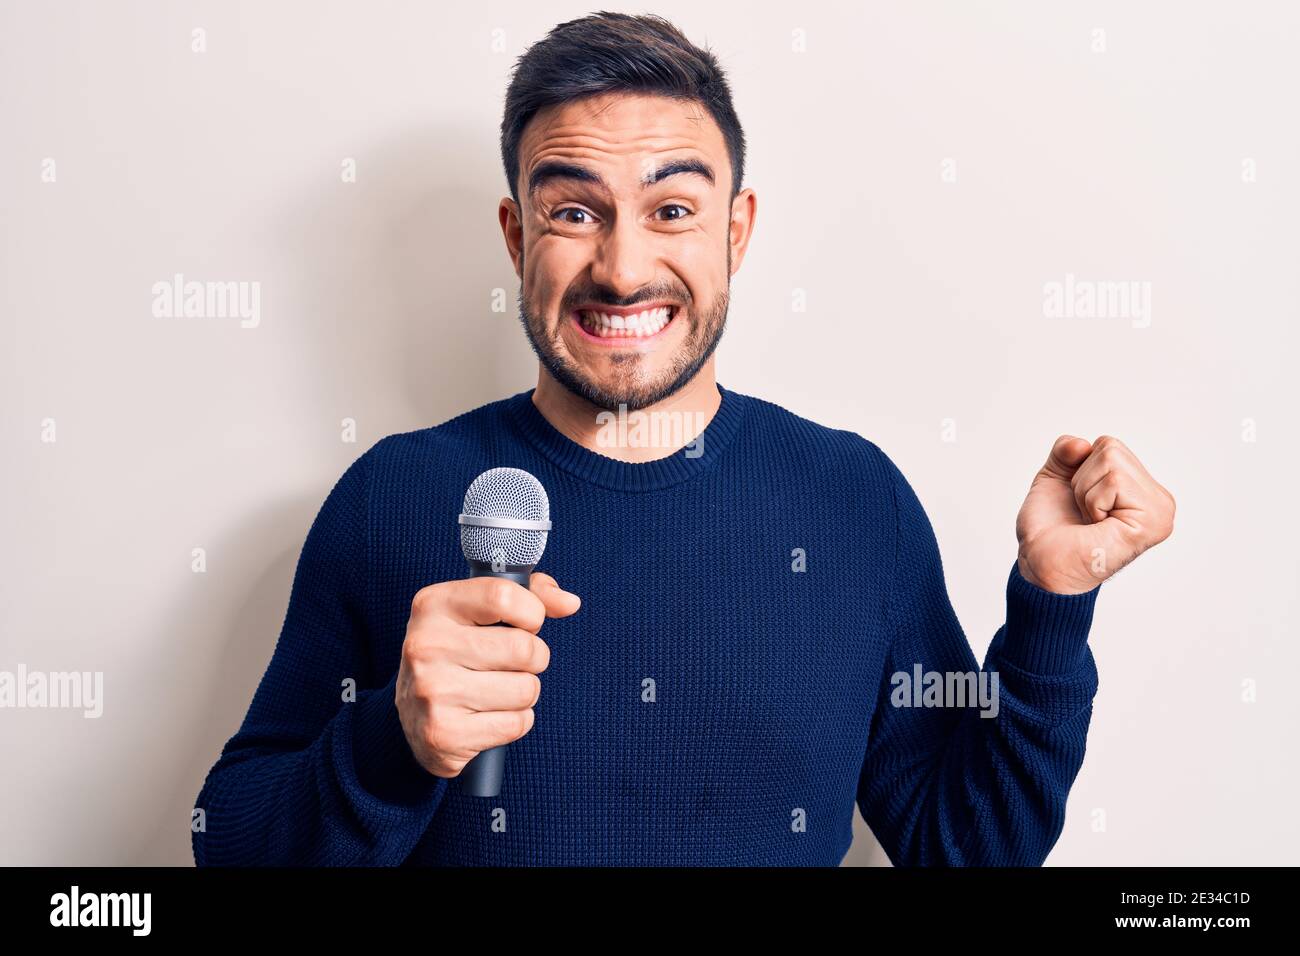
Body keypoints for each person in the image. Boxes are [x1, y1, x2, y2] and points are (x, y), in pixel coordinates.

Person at [192, 12, 1175, 866]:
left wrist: (1053, 599)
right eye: (572, 211)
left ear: (735, 232)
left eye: (672, 209)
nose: (623, 269)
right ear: (513, 235)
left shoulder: (853, 500)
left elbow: (963, 847)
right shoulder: (388, 498)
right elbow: (227, 841)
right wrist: (390, 742)